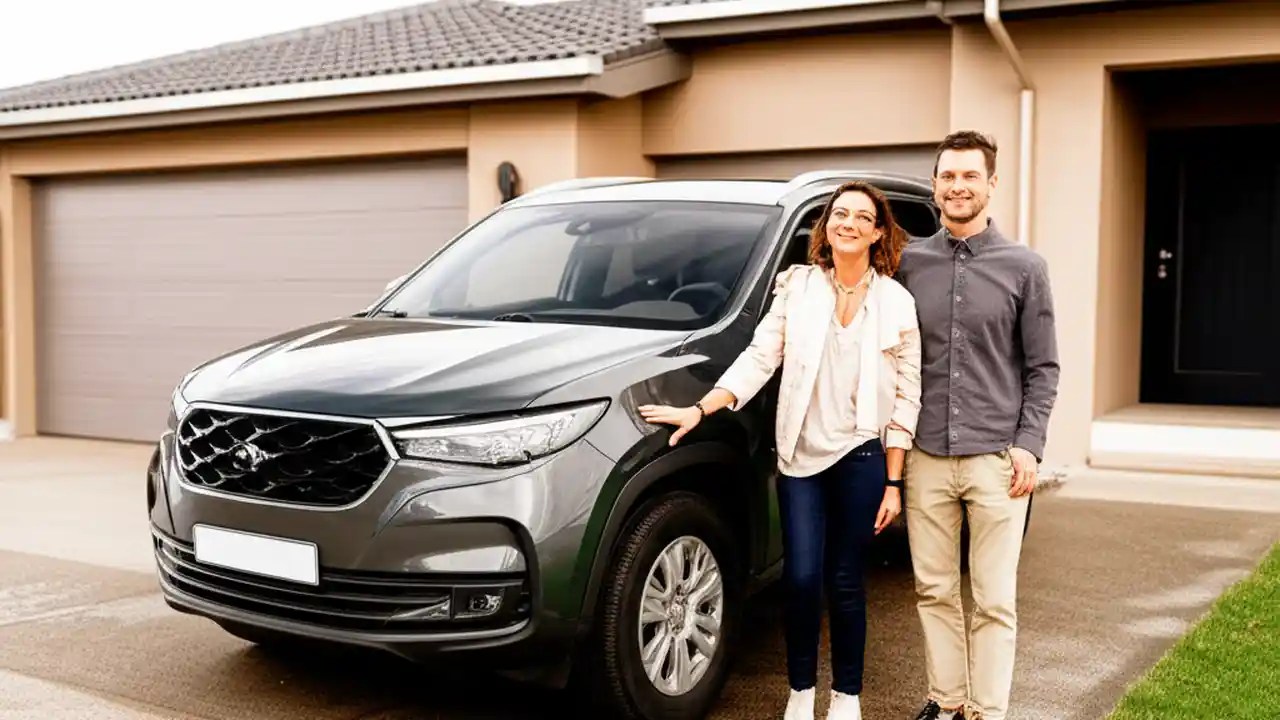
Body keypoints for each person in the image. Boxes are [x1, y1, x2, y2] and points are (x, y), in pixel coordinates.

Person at [638, 181, 923, 720]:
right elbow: (759, 357)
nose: (849, 223)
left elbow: (908, 395)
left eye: (863, 217)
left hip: (863, 456)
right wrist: (701, 408)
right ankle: (800, 690)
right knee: (801, 578)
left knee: (845, 581)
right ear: (827, 226)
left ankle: (847, 696)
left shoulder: (896, 303)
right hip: (801, 460)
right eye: (840, 214)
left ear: (878, 233)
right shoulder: (798, 289)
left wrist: (893, 481)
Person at [895, 131, 1059, 720]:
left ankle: (986, 710)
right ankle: (946, 699)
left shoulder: (1025, 268)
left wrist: (1029, 445)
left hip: (998, 461)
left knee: (994, 599)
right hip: (925, 456)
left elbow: (1043, 367)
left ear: (991, 184)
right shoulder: (909, 264)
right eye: (948, 176)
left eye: (970, 176)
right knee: (934, 590)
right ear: (935, 185)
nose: (958, 186)